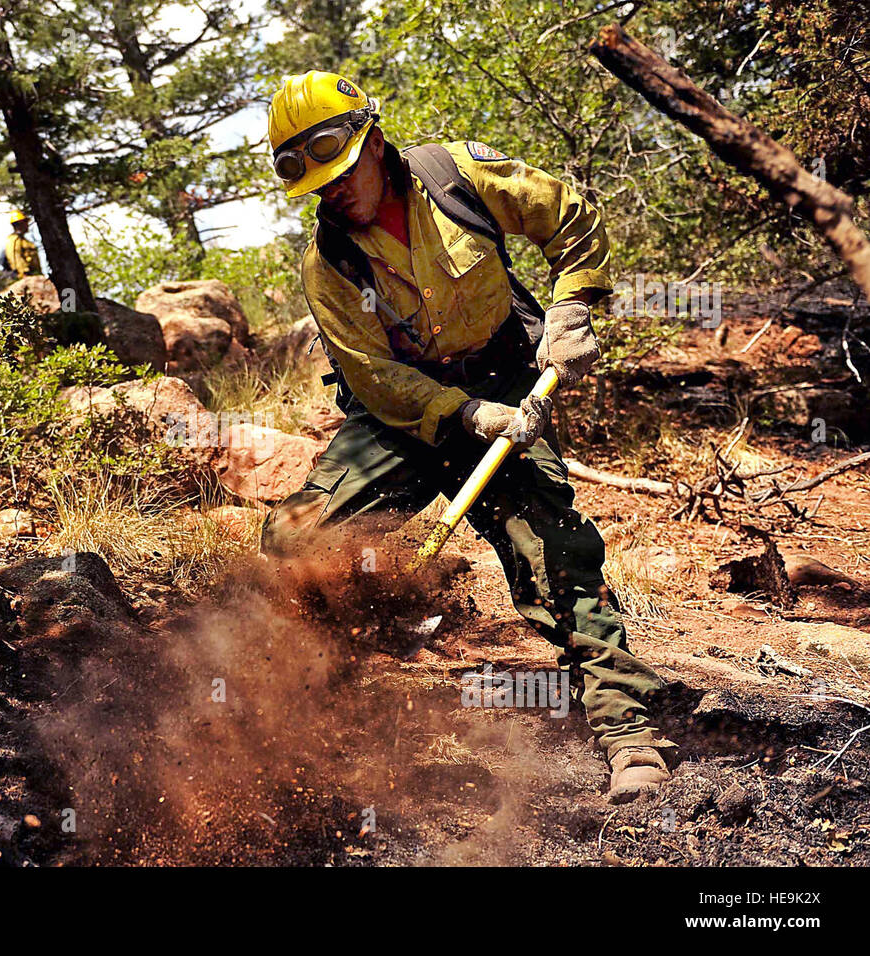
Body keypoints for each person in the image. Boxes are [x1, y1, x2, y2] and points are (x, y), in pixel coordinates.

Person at [262, 70, 677, 803]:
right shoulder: (327, 266)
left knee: (553, 553)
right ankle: (302, 712)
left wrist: (573, 310)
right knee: (298, 541)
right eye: (314, 183)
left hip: (508, 385)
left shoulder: (458, 177)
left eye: (339, 169)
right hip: (403, 415)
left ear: (373, 141)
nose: (332, 191)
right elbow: (374, 377)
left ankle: (628, 734)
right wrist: (462, 415)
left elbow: (570, 216)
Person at [1, 209, 41, 278]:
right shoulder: (13, 239)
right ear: (19, 224)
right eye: (25, 221)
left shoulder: (26, 241)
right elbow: (15, 257)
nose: (27, 224)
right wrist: (23, 272)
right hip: (20, 274)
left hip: (32, 273)